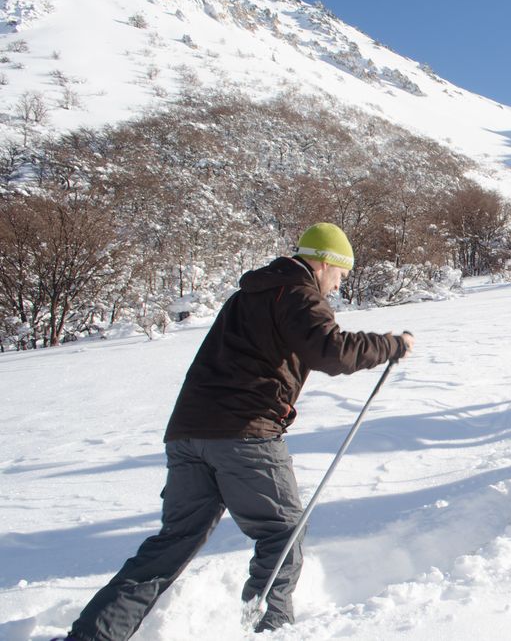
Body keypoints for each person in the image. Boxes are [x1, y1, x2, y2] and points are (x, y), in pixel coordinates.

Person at [61, 223, 413, 641]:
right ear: (322, 263)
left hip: (187, 433)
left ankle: (91, 636)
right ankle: (268, 629)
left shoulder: (246, 295)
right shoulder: (298, 294)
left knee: (173, 542)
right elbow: (331, 351)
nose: (339, 285)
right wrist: (391, 345)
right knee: (283, 534)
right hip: (246, 434)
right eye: (340, 274)